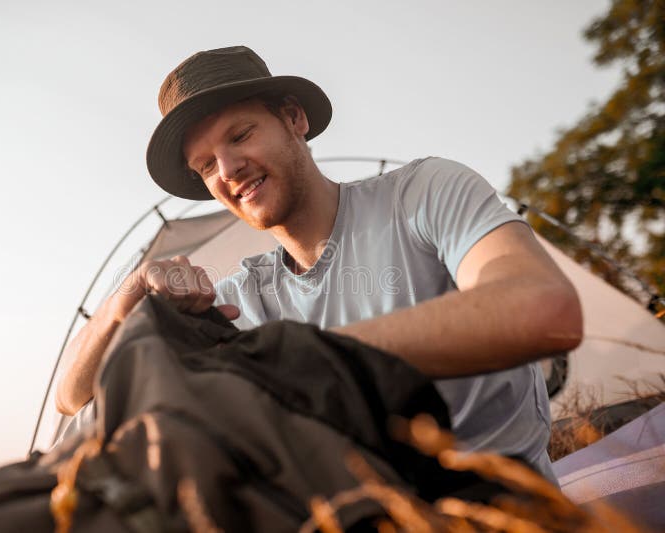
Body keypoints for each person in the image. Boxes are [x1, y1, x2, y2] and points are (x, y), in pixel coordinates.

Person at [55, 46, 583, 483]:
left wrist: (298, 358)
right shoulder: (247, 299)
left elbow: (545, 309)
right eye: (205, 166)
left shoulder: (423, 193)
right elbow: (72, 398)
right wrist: (131, 292)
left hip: (504, 508)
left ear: (293, 118)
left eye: (239, 136)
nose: (228, 169)